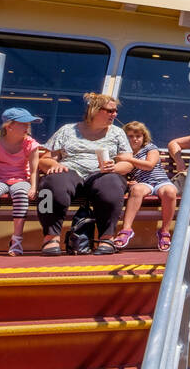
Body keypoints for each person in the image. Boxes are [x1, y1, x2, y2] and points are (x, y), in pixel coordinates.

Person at [37, 92, 133, 255]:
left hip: (102, 174)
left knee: (112, 184)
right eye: (110, 111)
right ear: (95, 110)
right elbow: (44, 160)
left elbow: (128, 163)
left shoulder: (117, 133)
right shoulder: (67, 131)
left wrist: (114, 168)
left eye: (115, 111)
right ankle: (50, 237)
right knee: (49, 186)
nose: (114, 114)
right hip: (70, 171)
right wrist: (53, 165)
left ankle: (107, 238)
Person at [0, 107, 42, 257]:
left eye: (28, 124)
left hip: (20, 179)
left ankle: (16, 240)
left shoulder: (30, 144)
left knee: (21, 194)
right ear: (9, 126)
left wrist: (33, 187)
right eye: (23, 124)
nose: (27, 127)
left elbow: (34, 169)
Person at [114, 121, 178, 251]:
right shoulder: (124, 152)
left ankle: (164, 231)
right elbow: (122, 171)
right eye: (130, 136)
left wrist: (128, 159)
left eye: (138, 136)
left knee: (170, 191)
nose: (135, 139)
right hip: (143, 183)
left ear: (144, 137)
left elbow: (149, 165)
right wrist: (127, 182)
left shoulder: (150, 147)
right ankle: (126, 230)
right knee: (136, 190)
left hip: (161, 181)